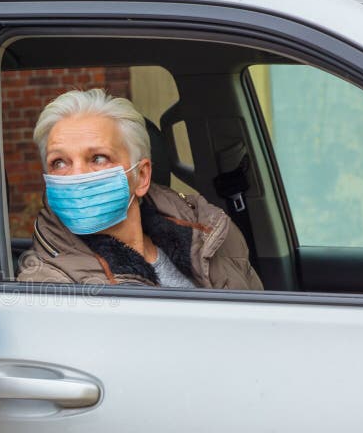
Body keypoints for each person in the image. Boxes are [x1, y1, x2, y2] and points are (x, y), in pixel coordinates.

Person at [17, 88, 263, 290]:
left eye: (98, 158)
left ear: (142, 176)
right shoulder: (47, 284)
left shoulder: (211, 233)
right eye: (59, 162)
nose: (77, 175)